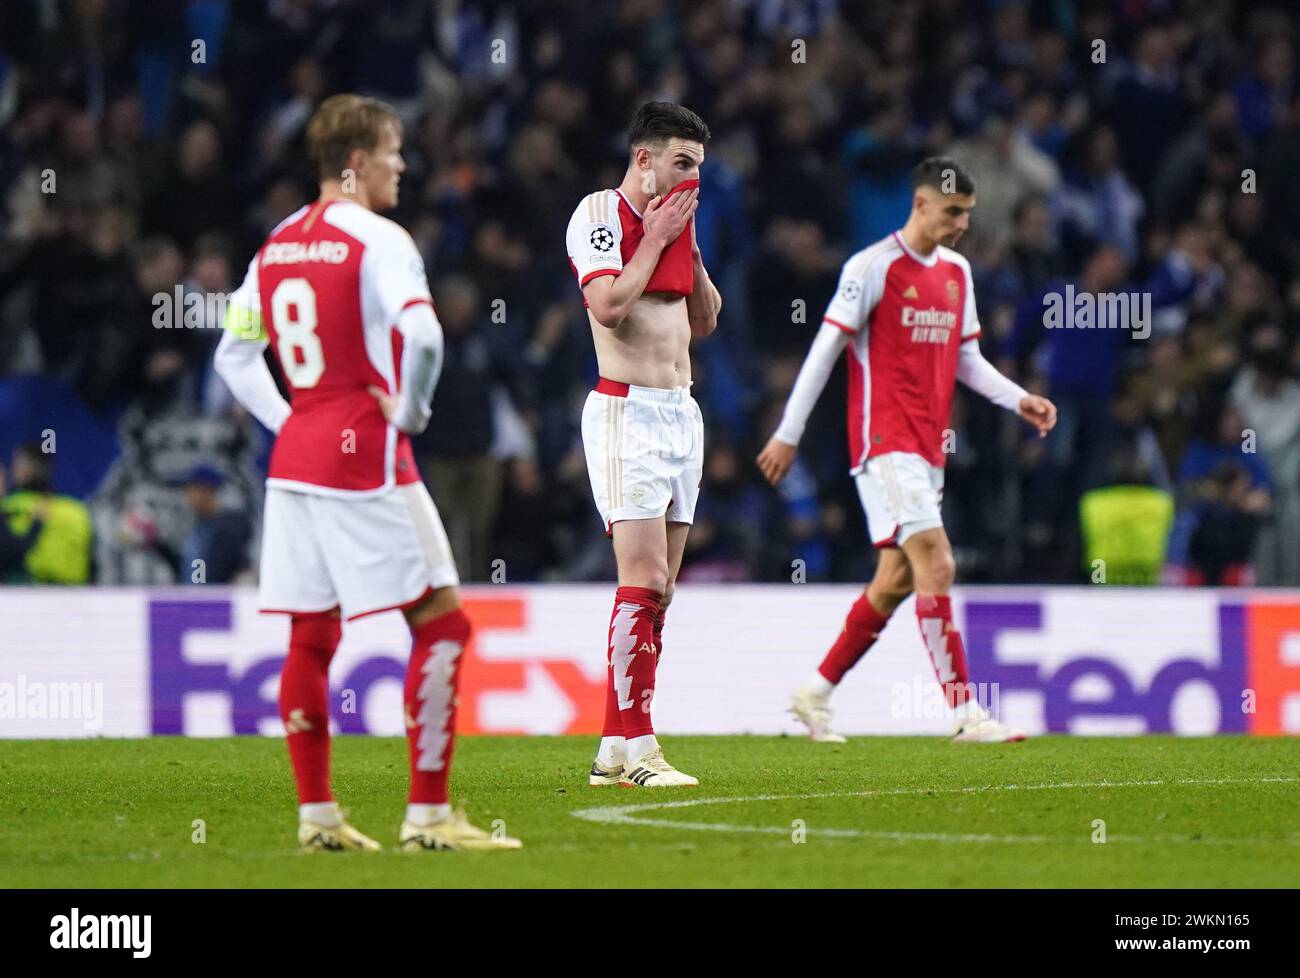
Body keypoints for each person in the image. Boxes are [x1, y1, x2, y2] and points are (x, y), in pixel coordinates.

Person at [214, 94, 520, 852]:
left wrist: (292, 421)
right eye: (393, 151)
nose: (403, 165)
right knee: (444, 624)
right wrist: (411, 413)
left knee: (310, 640)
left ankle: (317, 817)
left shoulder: (276, 245)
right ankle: (429, 817)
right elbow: (422, 333)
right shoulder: (380, 240)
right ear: (357, 163)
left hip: (295, 464)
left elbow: (232, 356)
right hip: (367, 455)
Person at [757, 157, 1057, 743]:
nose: (961, 224)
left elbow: (965, 359)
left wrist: (1018, 398)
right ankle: (967, 714)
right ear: (919, 205)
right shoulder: (871, 267)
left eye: (967, 215)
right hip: (883, 443)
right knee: (938, 563)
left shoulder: (958, 273)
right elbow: (824, 352)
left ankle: (813, 695)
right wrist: (788, 432)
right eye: (952, 212)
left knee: (895, 581)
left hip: (928, 449)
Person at [565, 101, 722, 787]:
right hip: (626, 412)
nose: (692, 177)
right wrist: (656, 239)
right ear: (644, 159)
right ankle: (642, 752)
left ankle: (611, 751)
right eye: (682, 162)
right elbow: (607, 305)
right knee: (644, 580)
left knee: (659, 595)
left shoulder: (676, 225)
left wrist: (691, 250)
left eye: (699, 167)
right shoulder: (601, 213)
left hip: (680, 413)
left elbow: (705, 323)